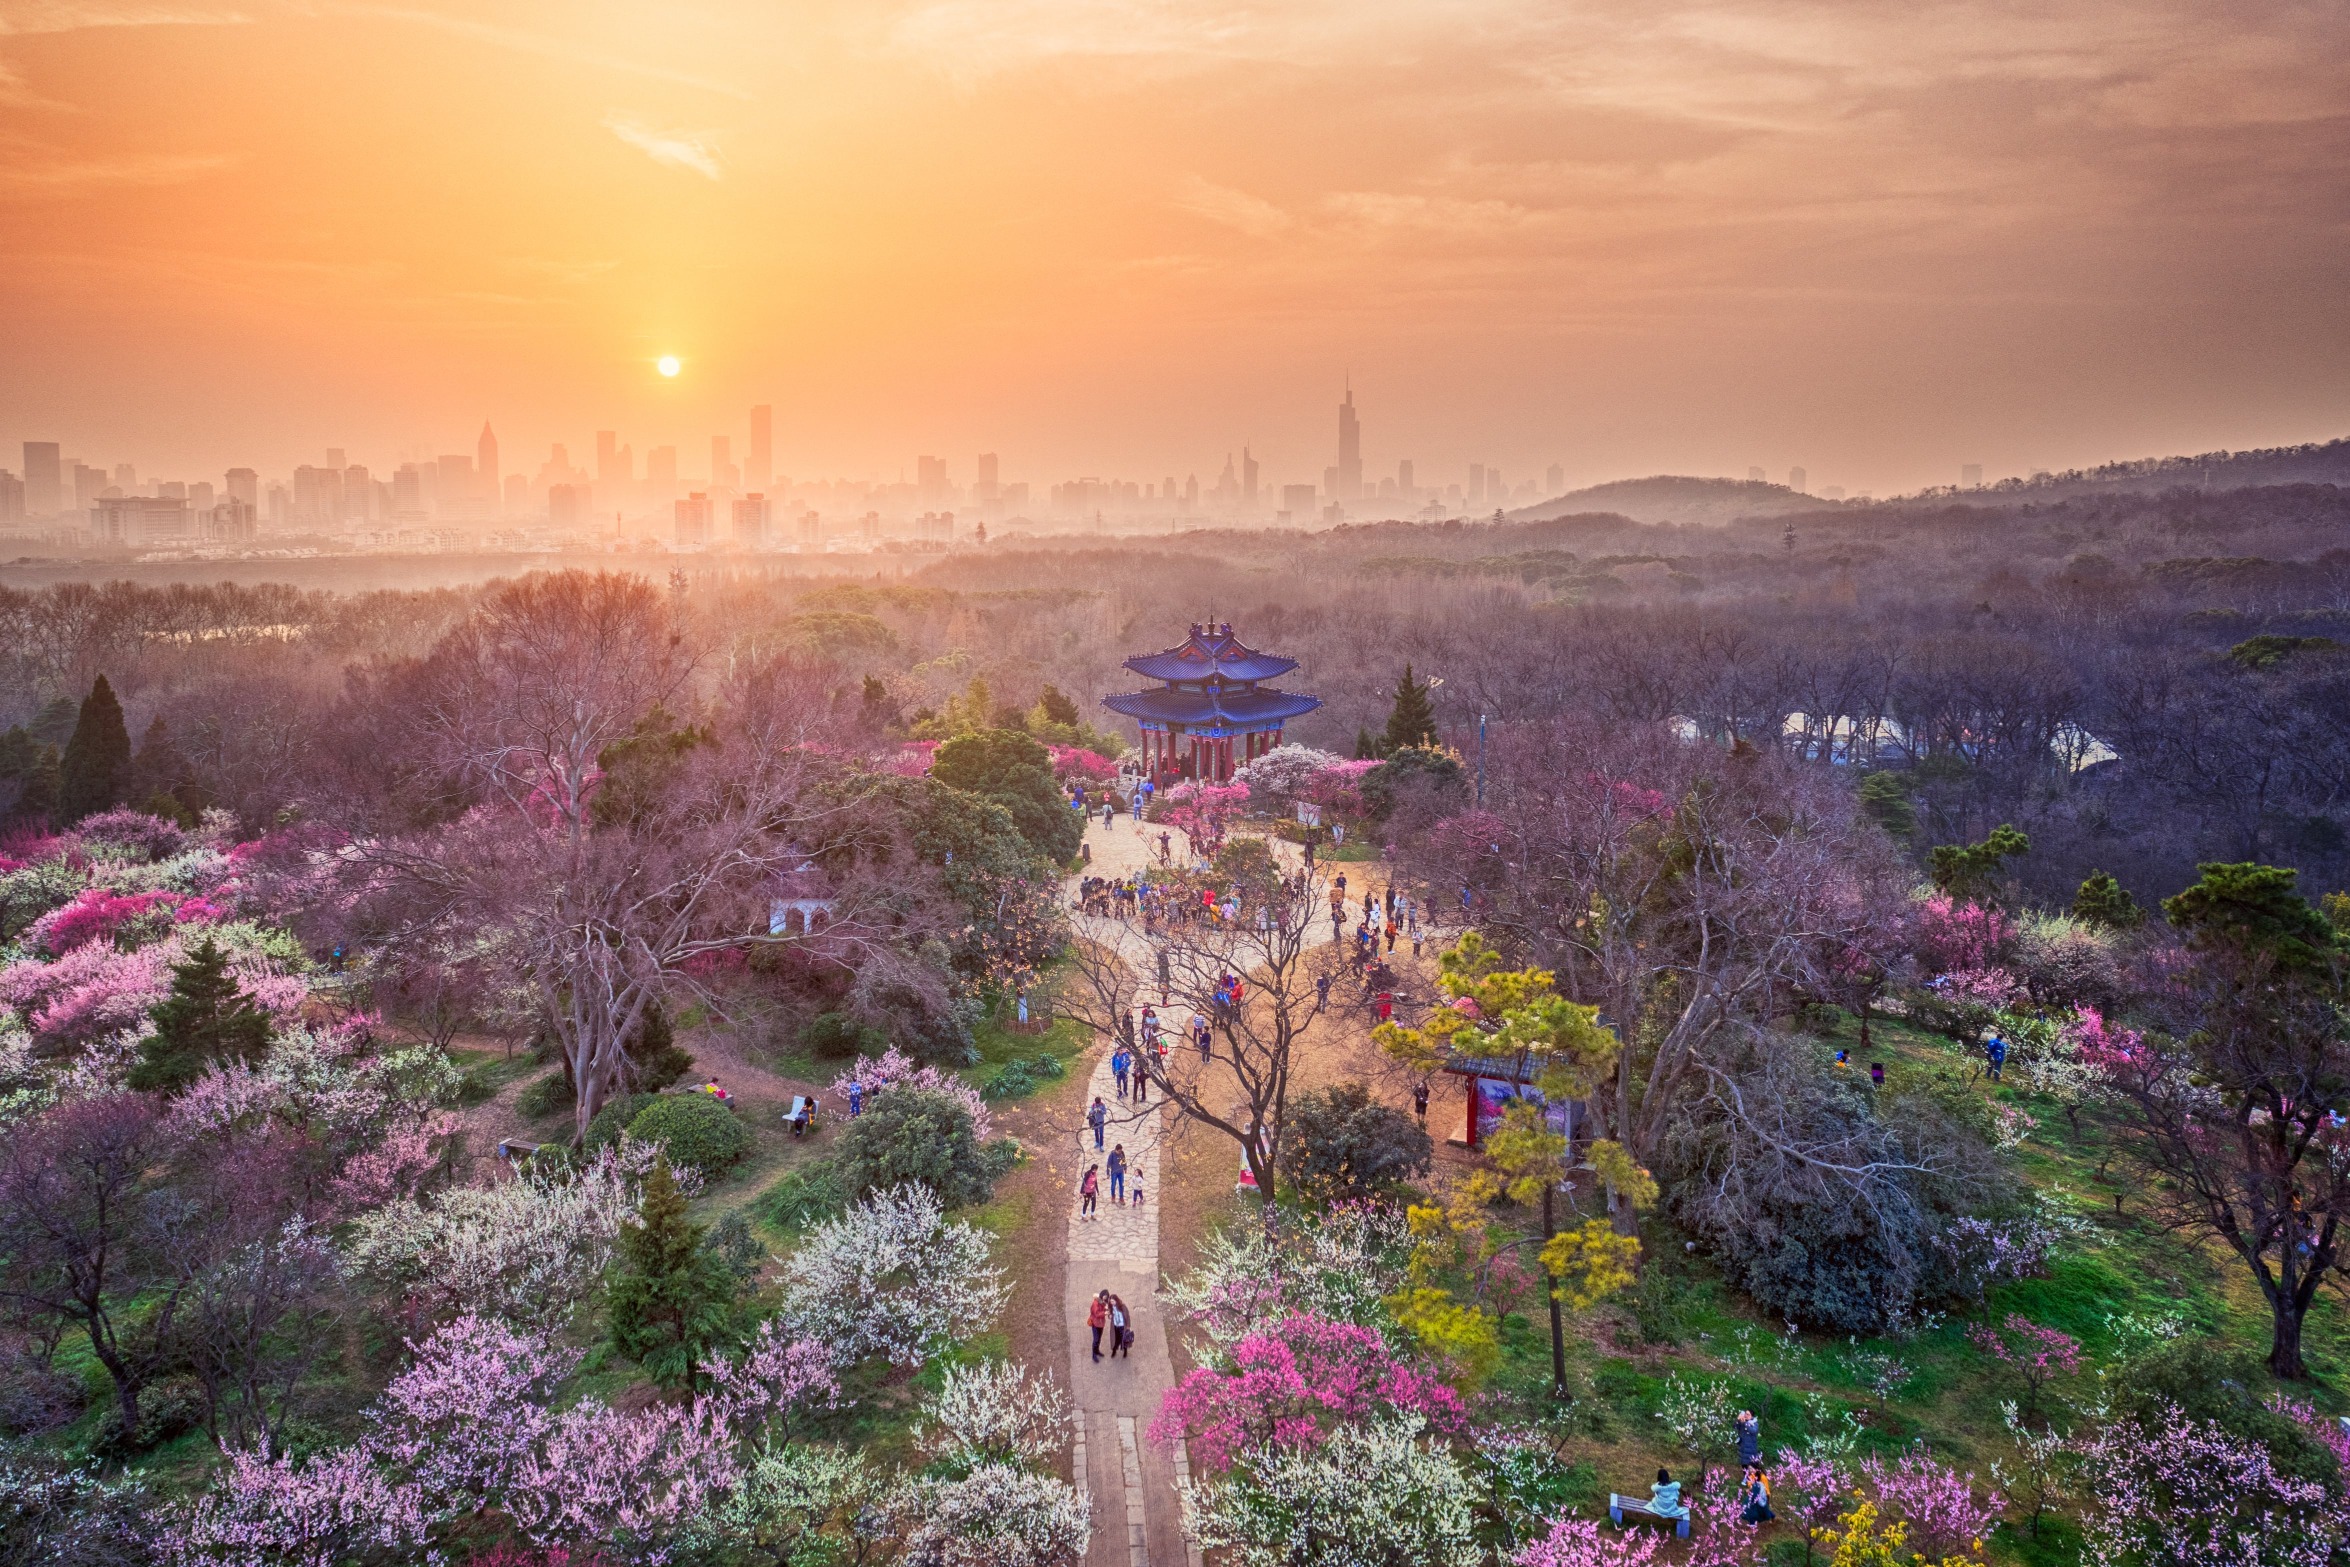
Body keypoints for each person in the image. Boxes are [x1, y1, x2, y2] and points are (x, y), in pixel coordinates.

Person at [1088, 1290, 1109, 1361]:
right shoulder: (1095, 1303)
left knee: (1099, 1339)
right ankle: (1094, 1354)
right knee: (1096, 1340)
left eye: (1106, 1297)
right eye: (1104, 1297)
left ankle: (1097, 1351)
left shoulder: (1102, 1302)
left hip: (1101, 1324)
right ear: (1101, 1295)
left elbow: (1103, 1308)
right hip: (1095, 1324)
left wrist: (1106, 1308)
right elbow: (1096, 1314)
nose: (1105, 1298)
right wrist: (1105, 1313)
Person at [1108, 1294, 1131, 1359]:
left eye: (1113, 1301)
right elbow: (1109, 1314)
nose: (1111, 1303)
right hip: (1115, 1326)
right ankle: (1114, 1351)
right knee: (1115, 1339)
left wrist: (1128, 1326)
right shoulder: (1111, 1307)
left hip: (1122, 1326)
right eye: (1111, 1301)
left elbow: (1127, 1316)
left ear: (1116, 1300)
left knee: (1124, 1339)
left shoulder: (1123, 1307)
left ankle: (1125, 1351)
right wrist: (1109, 1316)